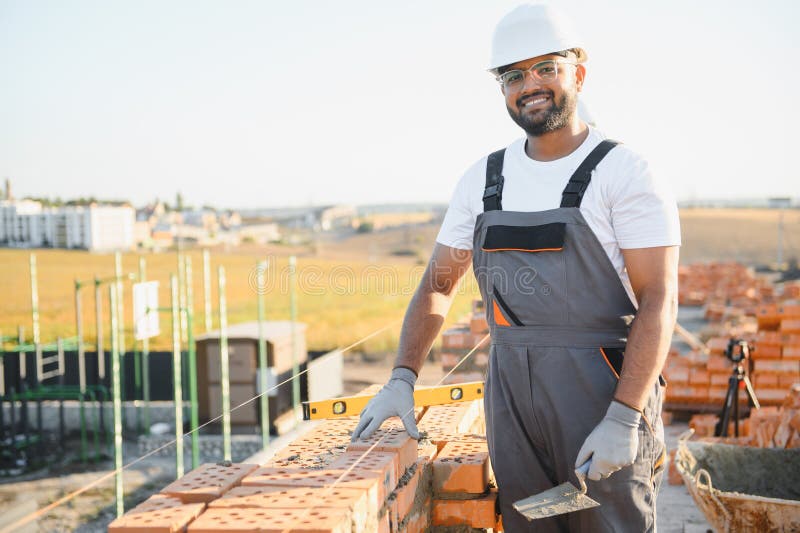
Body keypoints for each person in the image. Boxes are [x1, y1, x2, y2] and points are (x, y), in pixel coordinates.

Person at [351, 4, 680, 531]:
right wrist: (401, 377)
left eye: (546, 67)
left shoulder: (624, 172)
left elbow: (659, 299)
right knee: (532, 519)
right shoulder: (483, 179)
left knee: (606, 518)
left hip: (601, 391)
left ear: (578, 71)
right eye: (513, 75)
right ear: (501, 89)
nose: (530, 85)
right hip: (512, 398)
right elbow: (438, 285)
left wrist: (625, 416)